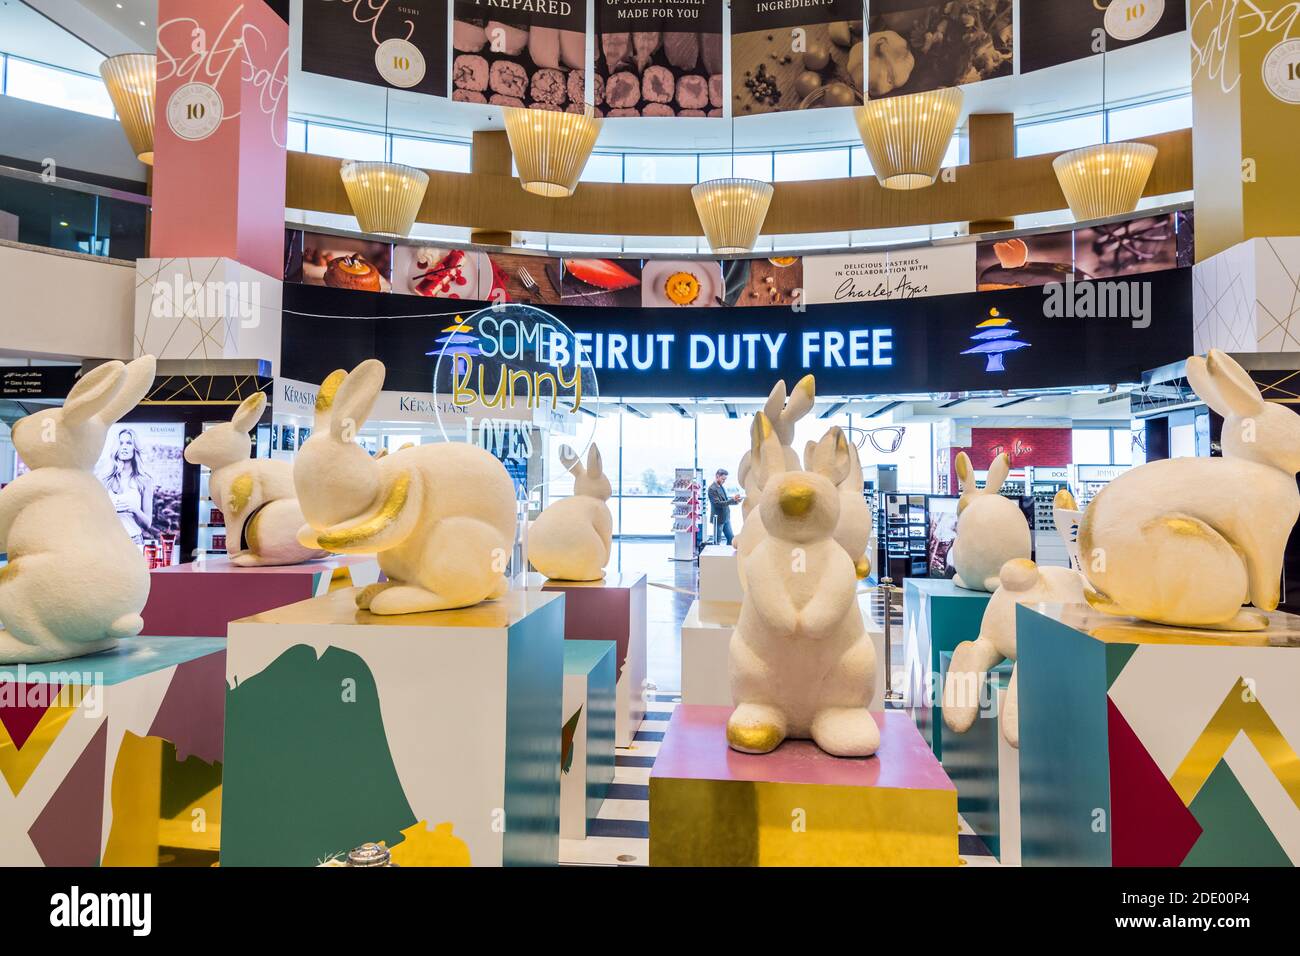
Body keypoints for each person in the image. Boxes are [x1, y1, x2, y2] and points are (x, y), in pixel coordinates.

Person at [101, 427, 156, 546]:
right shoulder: (106, 480)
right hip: (109, 541)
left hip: (134, 541)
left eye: (129, 443)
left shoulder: (144, 480)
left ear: (134, 448)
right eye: (121, 443)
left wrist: (134, 509)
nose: (124, 447)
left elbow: (148, 524)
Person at [707, 468, 741, 546]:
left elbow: (725, 501)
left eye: (725, 479)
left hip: (726, 518)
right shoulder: (712, 489)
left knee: (731, 539)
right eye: (723, 479)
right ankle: (717, 557)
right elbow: (718, 504)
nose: (724, 481)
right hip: (718, 519)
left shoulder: (721, 486)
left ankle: (727, 556)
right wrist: (732, 500)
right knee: (717, 541)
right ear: (717, 476)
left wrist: (735, 501)